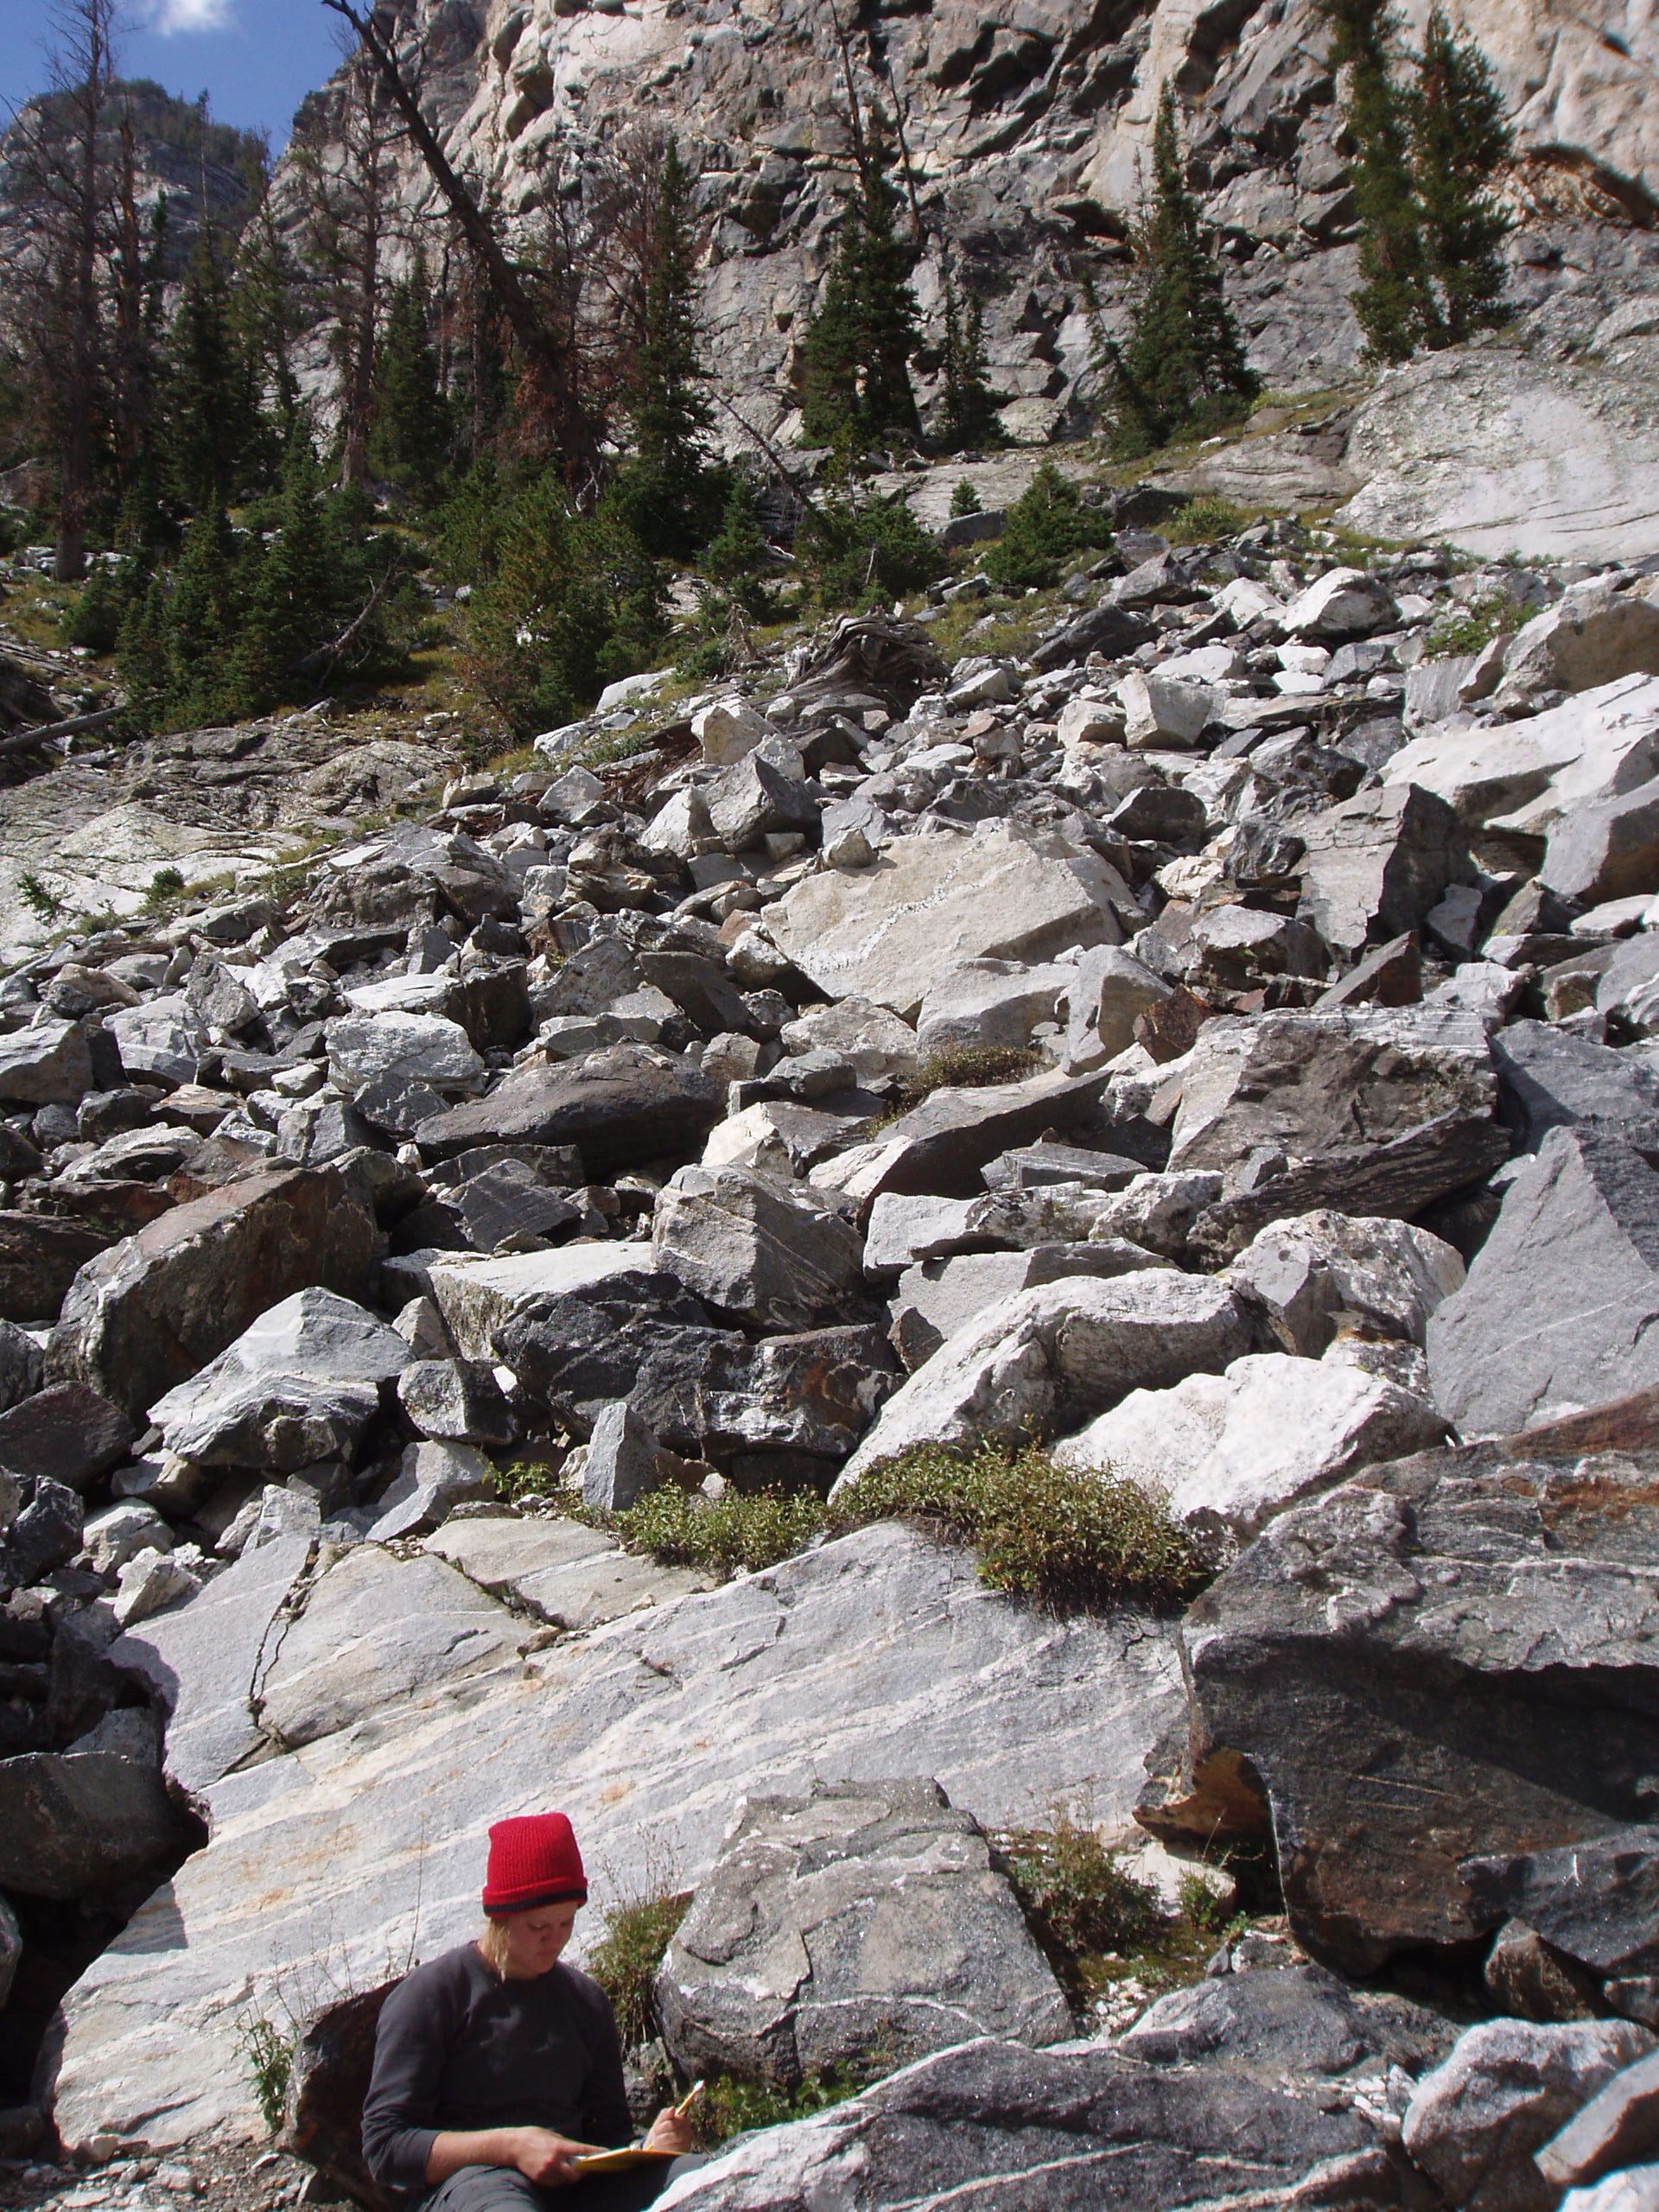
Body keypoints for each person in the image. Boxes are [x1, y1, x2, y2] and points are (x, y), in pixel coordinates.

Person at [362, 1813, 705, 2210]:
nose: (554, 1939)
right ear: (500, 1916)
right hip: (472, 2188)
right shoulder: (432, 1997)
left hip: (577, 2190)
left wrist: (651, 2149)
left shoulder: (585, 2001)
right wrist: (512, 2147)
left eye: (566, 1922)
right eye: (538, 1925)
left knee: (698, 2179)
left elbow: (608, 2140)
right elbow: (385, 2149)